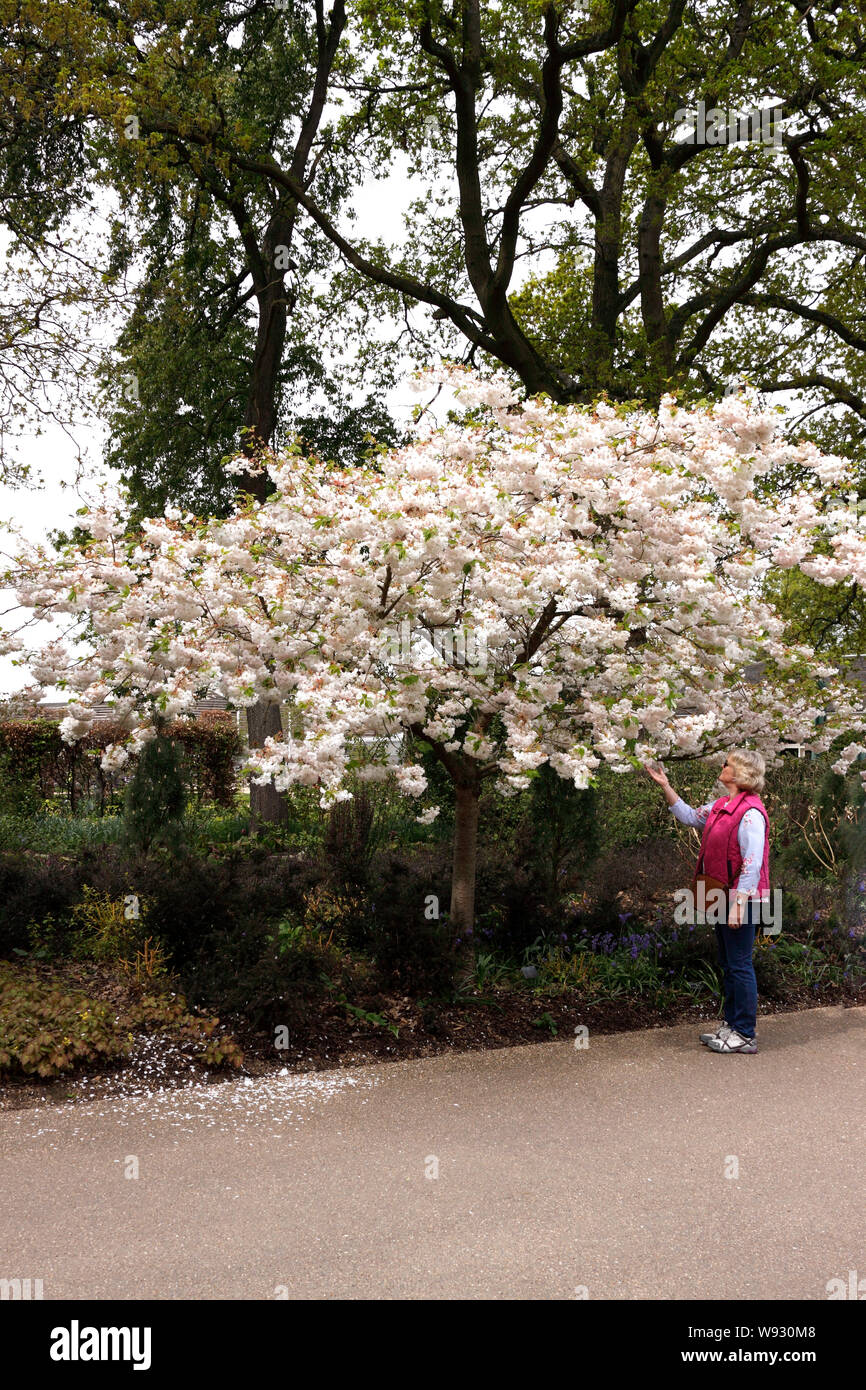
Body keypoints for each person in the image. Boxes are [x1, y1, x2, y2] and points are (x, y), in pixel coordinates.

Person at [643, 751, 770, 1054]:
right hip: (720, 894)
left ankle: (745, 1033)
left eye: (728, 764)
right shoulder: (720, 806)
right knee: (728, 962)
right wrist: (665, 784)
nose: (722, 767)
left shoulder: (751, 813)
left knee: (739, 964)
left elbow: (752, 864)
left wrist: (739, 904)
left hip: (743, 898)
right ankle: (732, 1024)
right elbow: (689, 816)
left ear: (740, 774)